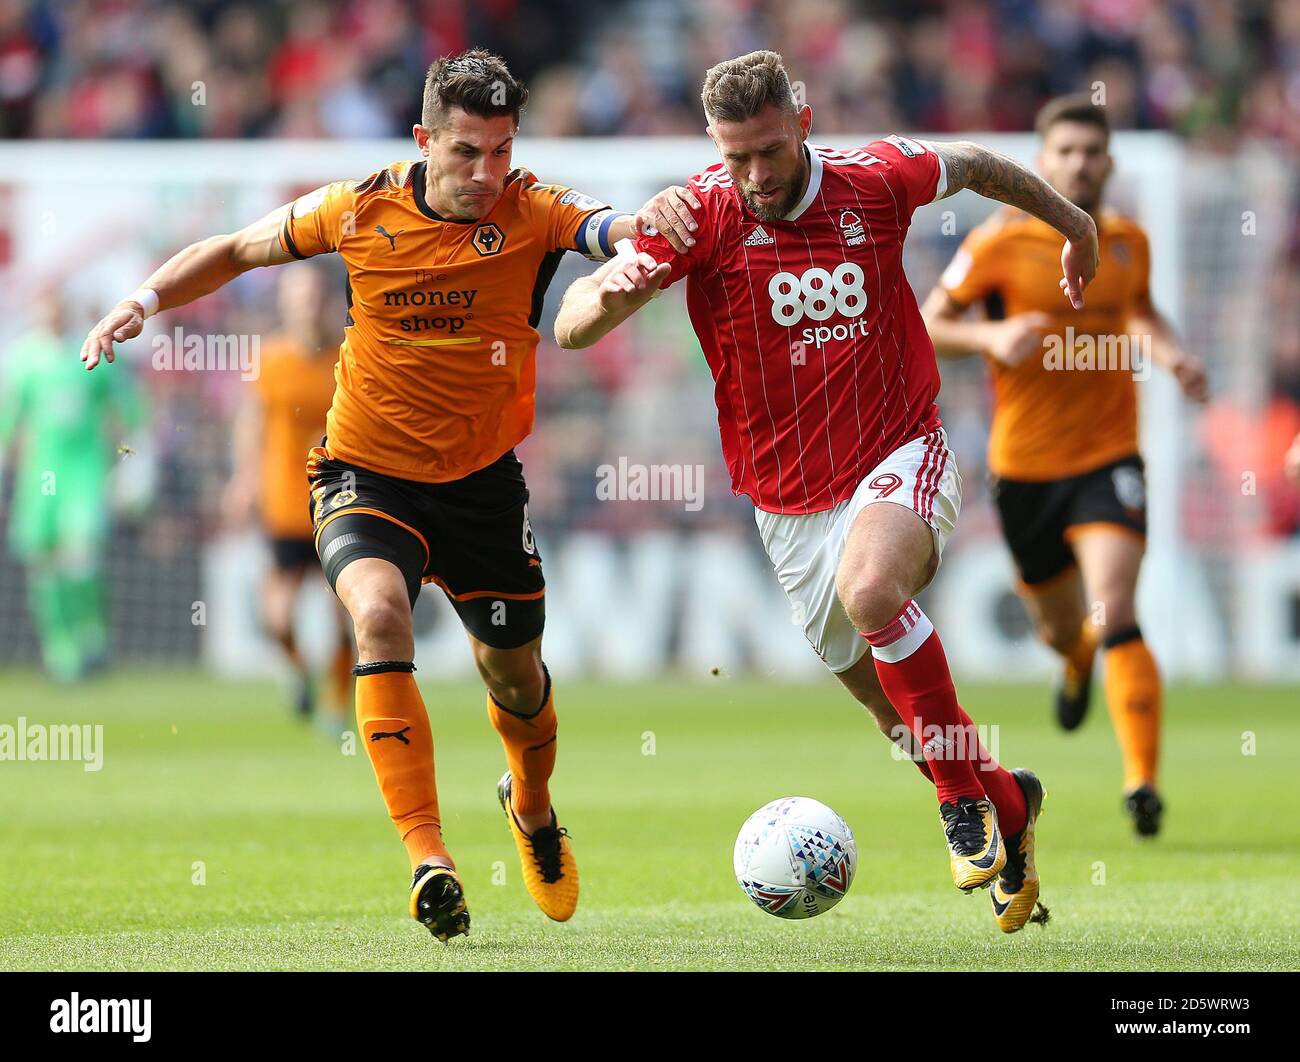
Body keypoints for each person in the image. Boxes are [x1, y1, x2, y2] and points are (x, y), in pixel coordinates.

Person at [81, 49, 685, 942]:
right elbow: (239, 249)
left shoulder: (534, 210)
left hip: (483, 484)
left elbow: (609, 230)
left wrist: (653, 222)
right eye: (467, 153)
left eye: (502, 151)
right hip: (365, 473)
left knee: (513, 676)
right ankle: (429, 860)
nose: (487, 174)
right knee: (378, 615)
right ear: (423, 141)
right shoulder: (357, 207)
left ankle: (532, 806)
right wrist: (144, 298)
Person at [555, 50, 1102, 933]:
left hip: (901, 449)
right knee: (898, 720)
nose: (756, 175)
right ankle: (1008, 799)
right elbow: (576, 325)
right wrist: (616, 287)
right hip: (786, 503)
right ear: (712, 144)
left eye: (770, 150)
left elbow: (978, 163)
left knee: (873, 590)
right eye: (736, 157)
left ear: (801, 119)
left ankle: (963, 806)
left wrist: (1075, 224)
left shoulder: (876, 181)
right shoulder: (697, 214)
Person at [920, 94, 1208, 838]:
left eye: (1093, 152)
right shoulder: (997, 243)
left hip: (1109, 458)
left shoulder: (1126, 243)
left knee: (1116, 605)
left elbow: (1137, 310)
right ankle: (1074, 660)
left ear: (1109, 161)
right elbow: (929, 323)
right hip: (1024, 471)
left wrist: (1169, 352)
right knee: (1058, 626)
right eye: (1067, 153)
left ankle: (1142, 781)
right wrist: (994, 338)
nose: (1081, 164)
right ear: (1042, 164)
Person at [223, 264, 354, 726]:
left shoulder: (347, 355)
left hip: (340, 498)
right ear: (284, 302)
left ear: (327, 300)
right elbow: (251, 421)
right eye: (298, 296)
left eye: (314, 296)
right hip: (283, 498)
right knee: (277, 616)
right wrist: (243, 478)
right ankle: (298, 670)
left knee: (343, 610)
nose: (307, 305)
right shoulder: (271, 359)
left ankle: (338, 705)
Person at [1, 287, 148, 682]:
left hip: (84, 474)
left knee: (81, 556)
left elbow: (127, 409)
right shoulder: (24, 361)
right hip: (39, 477)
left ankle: (92, 637)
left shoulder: (89, 350)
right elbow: (9, 424)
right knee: (44, 563)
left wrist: (132, 463)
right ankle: (61, 649)